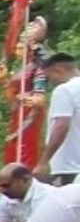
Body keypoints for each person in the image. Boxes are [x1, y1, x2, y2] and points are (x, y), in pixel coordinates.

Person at [35, 52, 80, 185]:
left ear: (58, 70)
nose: (50, 83)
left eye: (49, 77)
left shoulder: (64, 90)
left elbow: (61, 126)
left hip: (68, 168)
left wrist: (43, 162)